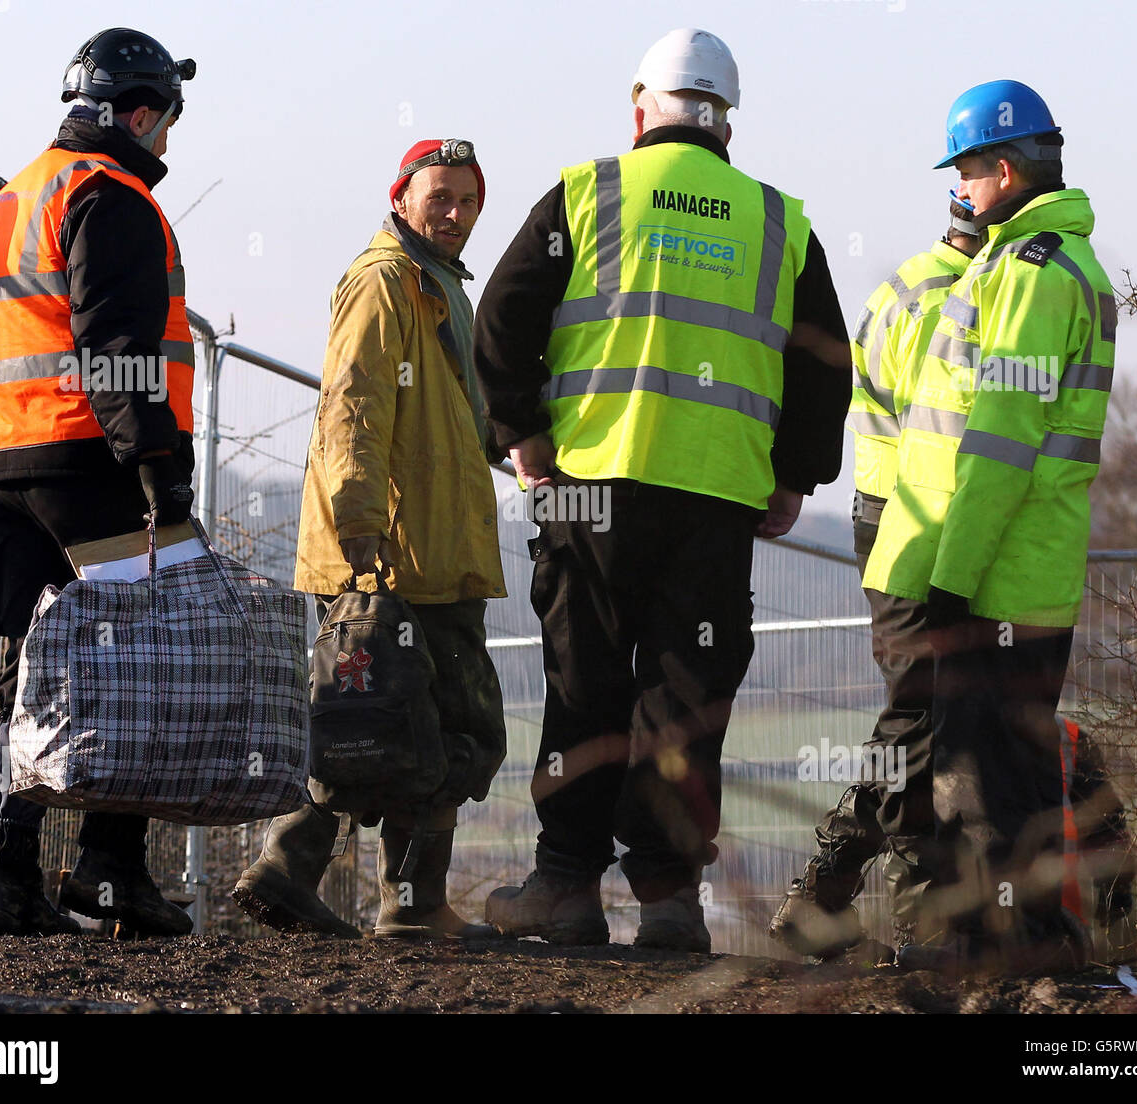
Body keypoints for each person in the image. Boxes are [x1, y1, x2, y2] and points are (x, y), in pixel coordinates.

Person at [475, 28, 850, 952]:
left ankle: (565, 886)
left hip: (588, 484)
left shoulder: (587, 194)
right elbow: (824, 365)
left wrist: (521, 431)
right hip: (717, 499)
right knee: (684, 700)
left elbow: (502, 316)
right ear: (725, 115)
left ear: (642, 107)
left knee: (582, 683)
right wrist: (794, 474)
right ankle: (671, 904)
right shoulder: (779, 222)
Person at [863, 80, 1118, 971]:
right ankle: (991, 951)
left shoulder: (1031, 274)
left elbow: (1000, 443)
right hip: (1021, 569)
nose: (961, 191)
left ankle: (1038, 960)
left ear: (1004, 170)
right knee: (986, 779)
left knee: (988, 787)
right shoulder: (1044, 264)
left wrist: (953, 577)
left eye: (966, 173)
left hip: (995, 575)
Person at [234, 139, 508, 940]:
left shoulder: (438, 287)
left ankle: (305, 874)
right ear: (402, 198)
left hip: (433, 551)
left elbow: (465, 419)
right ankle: (396, 899)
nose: (455, 213)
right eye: (440, 198)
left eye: (467, 200)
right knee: (419, 724)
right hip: (393, 554)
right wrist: (359, 526)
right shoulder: (386, 280)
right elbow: (353, 403)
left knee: (394, 721)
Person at [0, 28, 198, 936]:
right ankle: (109, 874)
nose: (168, 143)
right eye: (167, 122)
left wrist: (1, 452)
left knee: (29, 672)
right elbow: (119, 353)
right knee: (138, 664)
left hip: (7, 463)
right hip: (93, 464)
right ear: (139, 115)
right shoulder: (115, 195)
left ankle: (6, 875)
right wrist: (159, 473)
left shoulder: (11, 201)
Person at [770, 196, 984, 958]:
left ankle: (826, 896)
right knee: (921, 721)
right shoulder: (972, 297)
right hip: (925, 518)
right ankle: (906, 918)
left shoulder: (905, 284)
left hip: (881, 511)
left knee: (916, 714)